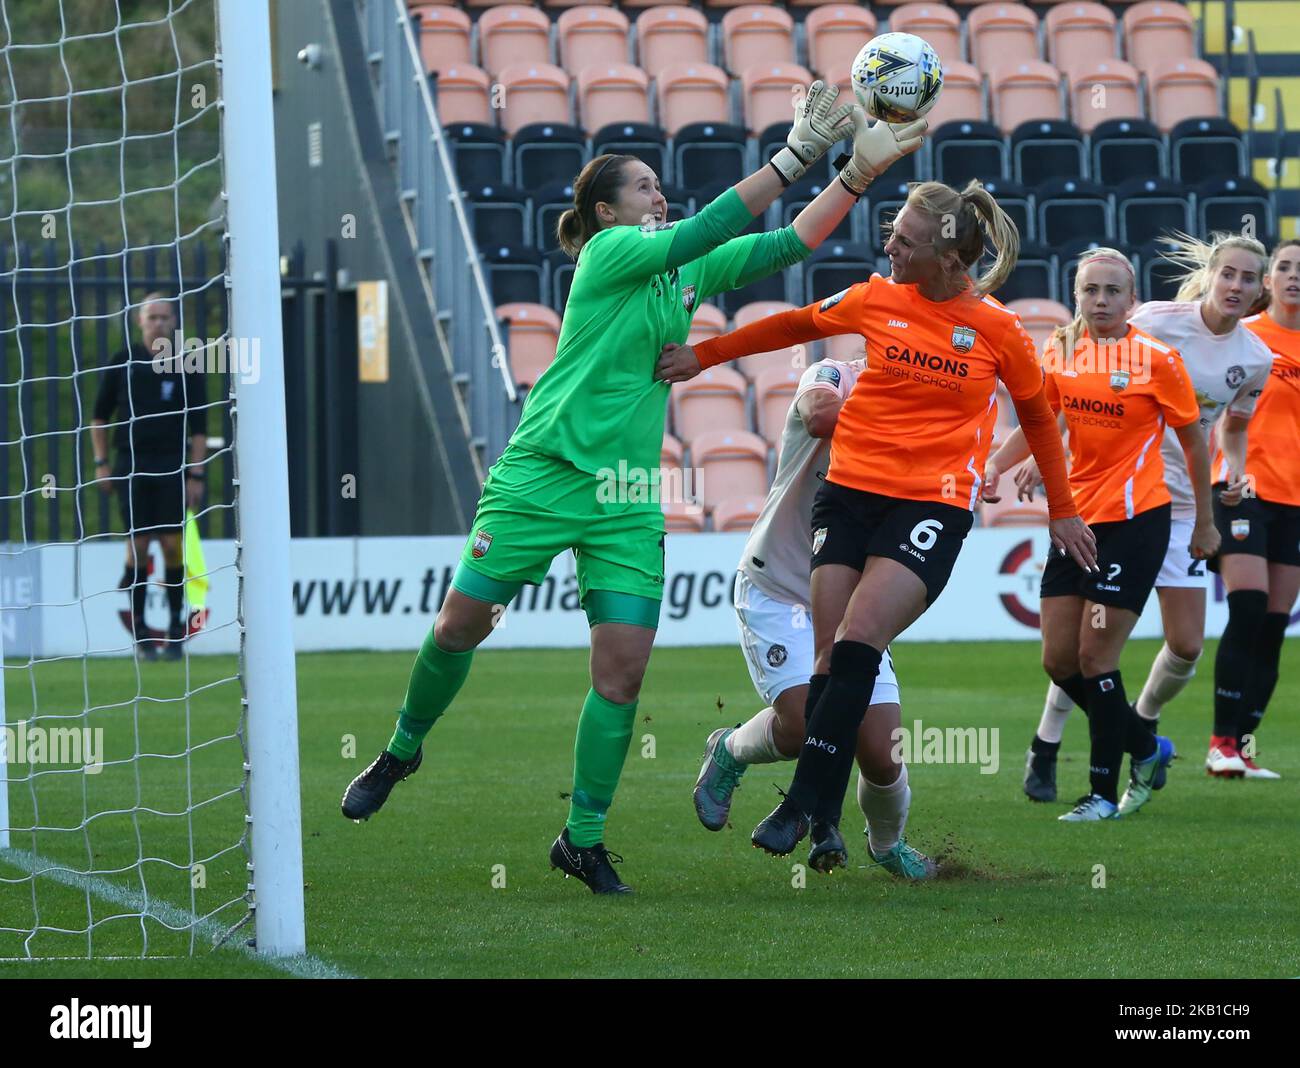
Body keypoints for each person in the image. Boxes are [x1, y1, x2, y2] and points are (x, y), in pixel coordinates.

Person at [340, 83, 929, 894]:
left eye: (659, 183)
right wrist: (794, 153)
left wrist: (854, 177)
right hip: (542, 471)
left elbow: (787, 243)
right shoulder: (609, 254)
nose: (659, 192)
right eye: (644, 186)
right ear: (608, 212)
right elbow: (712, 223)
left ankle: (581, 839)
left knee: (620, 675)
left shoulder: (677, 273)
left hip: (623, 494)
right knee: (460, 626)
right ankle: (403, 748)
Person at [656, 179, 1097, 865]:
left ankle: (810, 806)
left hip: (930, 506)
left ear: (950, 260)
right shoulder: (875, 299)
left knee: (858, 649)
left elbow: (1039, 414)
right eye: (892, 230)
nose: (888, 243)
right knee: (836, 663)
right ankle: (817, 809)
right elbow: (795, 326)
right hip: (849, 498)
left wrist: (1063, 511)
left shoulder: (999, 331)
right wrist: (703, 357)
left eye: (905, 239)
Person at [1010, 233, 1274, 796]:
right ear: (1211, 275)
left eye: (1249, 279)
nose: (1236, 286)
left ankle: (1143, 722)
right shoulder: (1153, 320)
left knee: (1185, 644)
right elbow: (1080, 385)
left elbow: (1230, 428)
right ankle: (1048, 744)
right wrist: (1044, 455)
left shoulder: (1255, 357)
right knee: (1087, 644)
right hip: (1124, 501)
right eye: (1229, 274)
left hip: (1184, 509)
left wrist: (1237, 472)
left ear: (1260, 290)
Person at [985, 249, 1218, 820]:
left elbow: (1192, 444)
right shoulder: (1062, 349)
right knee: (1058, 660)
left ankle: (1100, 795)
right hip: (1075, 520)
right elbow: (1043, 418)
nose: (1102, 301)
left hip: (1137, 521)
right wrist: (993, 463)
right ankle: (1144, 746)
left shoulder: (1157, 359)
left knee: (1095, 657)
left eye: (1114, 291)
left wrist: (1206, 522)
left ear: (1132, 299)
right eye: (1091, 290)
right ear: (1076, 295)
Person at [692, 354, 934, 877]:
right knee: (806, 722)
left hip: (852, 603)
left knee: (882, 752)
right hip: (778, 586)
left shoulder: (933, 398)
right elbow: (820, 413)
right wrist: (908, 424)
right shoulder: (834, 373)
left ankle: (887, 844)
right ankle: (731, 749)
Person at [1204, 238, 1300, 779]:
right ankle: (1220, 741)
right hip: (1243, 490)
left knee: (1273, 624)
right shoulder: (1248, 341)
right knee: (1247, 607)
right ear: (1268, 280)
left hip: (1296, 500)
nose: (1292, 276)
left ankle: (1239, 747)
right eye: (1284, 267)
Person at [91, 292, 207, 660]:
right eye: (152, 317)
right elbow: (98, 416)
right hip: (131, 465)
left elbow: (199, 426)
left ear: (173, 322)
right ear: (140, 321)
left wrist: (197, 473)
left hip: (173, 465)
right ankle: (141, 633)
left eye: (165, 317)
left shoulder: (186, 362)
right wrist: (101, 463)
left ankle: (174, 628)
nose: (158, 323)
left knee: (173, 547)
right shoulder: (123, 361)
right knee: (139, 547)